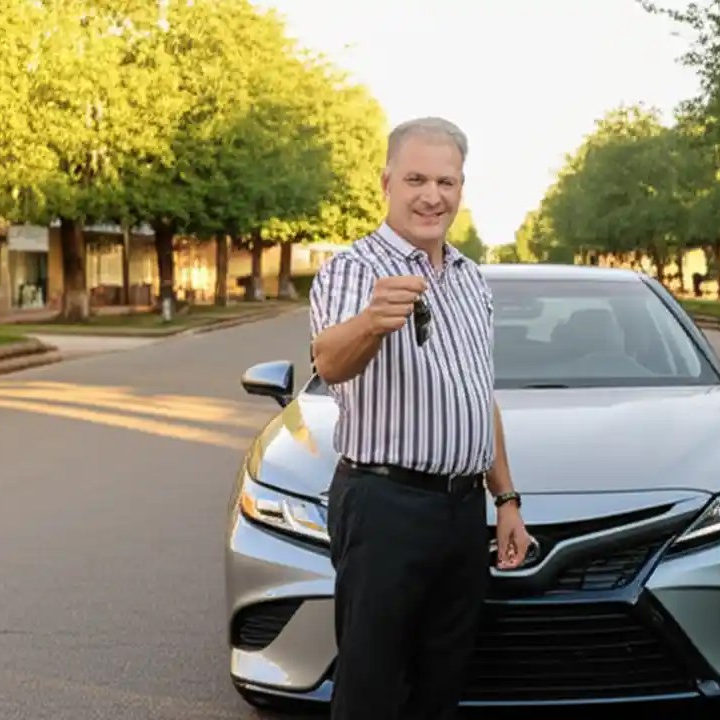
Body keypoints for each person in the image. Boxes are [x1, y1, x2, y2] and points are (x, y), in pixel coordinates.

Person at [308, 116, 531, 720]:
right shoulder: (353, 270)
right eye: (415, 179)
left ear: (460, 188)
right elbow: (328, 362)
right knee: (372, 687)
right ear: (385, 182)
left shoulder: (469, 278)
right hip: (384, 508)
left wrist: (506, 500)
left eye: (446, 181)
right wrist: (370, 323)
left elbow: (479, 395)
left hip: (463, 514)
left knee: (442, 683)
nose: (432, 195)